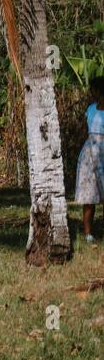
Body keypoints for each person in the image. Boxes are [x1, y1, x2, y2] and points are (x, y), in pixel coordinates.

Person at [75, 76, 104, 244]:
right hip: (90, 153)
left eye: (95, 90)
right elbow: (85, 130)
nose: (92, 93)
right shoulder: (91, 109)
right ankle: (88, 233)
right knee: (89, 195)